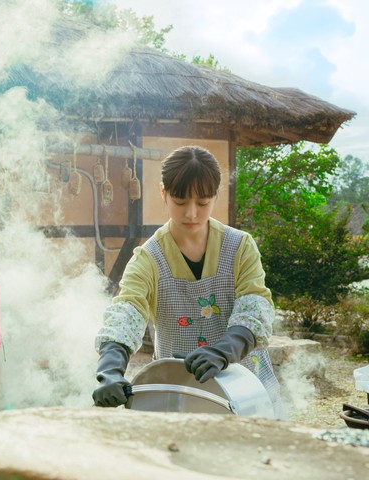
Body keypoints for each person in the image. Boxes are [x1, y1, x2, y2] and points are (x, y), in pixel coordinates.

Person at [92, 145, 282, 418]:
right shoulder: (149, 258)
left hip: (248, 390)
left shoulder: (240, 247)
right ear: (163, 193)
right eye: (180, 202)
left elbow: (255, 306)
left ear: (215, 196)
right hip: (181, 393)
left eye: (202, 202)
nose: (191, 213)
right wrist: (109, 370)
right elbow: (127, 311)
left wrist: (223, 351)